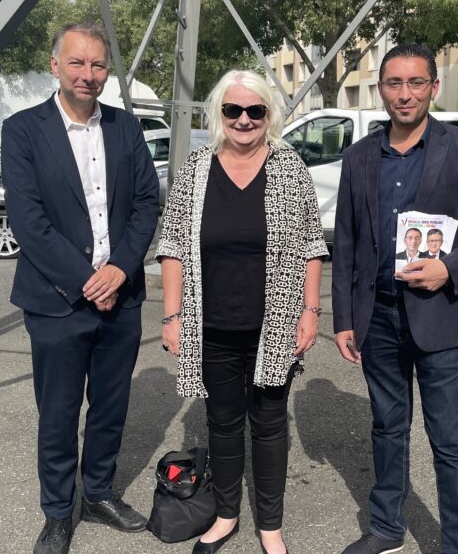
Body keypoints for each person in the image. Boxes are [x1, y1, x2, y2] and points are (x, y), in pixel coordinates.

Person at [331, 44, 458, 554]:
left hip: (441, 317)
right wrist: (343, 319)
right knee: (388, 427)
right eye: (394, 83)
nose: (404, 94)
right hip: (380, 318)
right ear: (381, 89)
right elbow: (346, 242)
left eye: (416, 83)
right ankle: (386, 527)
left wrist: (449, 268)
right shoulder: (359, 156)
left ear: (434, 87)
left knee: (448, 440)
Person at [2, 22, 159, 554]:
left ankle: (98, 495)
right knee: (60, 412)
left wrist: (119, 269)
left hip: (123, 297)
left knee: (111, 407)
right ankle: (57, 512)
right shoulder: (23, 131)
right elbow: (29, 223)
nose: (88, 75)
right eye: (77, 63)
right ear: (55, 66)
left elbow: (145, 205)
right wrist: (90, 282)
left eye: (97, 65)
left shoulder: (125, 128)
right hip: (56, 302)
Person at [156, 69, 327, 554]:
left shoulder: (290, 168)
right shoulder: (195, 170)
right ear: (220, 115)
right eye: (233, 110)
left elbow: (311, 245)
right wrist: (172, 318)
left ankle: (270, 526)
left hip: (273, 325)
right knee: (223, 423)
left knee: (270, 425)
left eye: (256, 110)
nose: (244, 119)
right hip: (211, 326)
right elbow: (172, 247)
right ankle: (227, 515)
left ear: (268, 115)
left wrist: (310, 310)